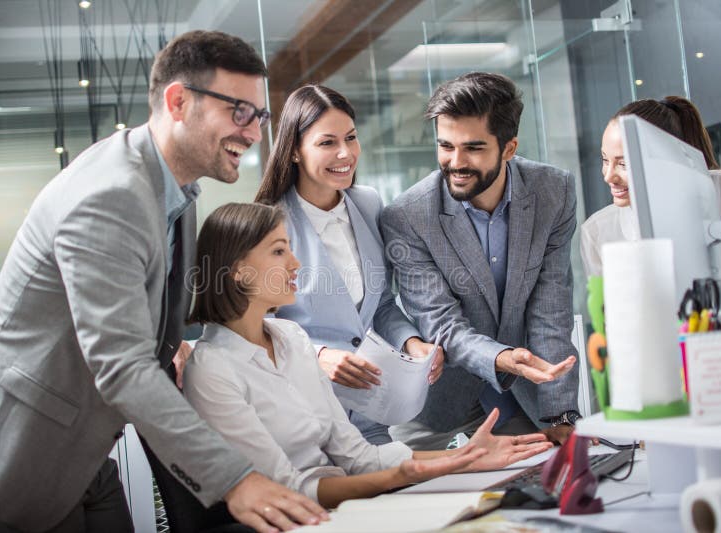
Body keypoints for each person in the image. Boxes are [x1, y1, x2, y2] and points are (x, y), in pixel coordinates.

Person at [0, 31, 326, 533]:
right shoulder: (111, 195)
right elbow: (120, 364)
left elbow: (138, 318)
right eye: (239, 111)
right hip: (16, 448)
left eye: (260, 116)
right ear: (178, 101)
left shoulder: (173, 186)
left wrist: (172, 347)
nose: (253, 133)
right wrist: (237, 480)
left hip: (84, 444)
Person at [182, 202, 553, 508]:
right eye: (279, 251)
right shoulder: (212, 368)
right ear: (238, 272)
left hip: (342, 502)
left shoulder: (291, 337)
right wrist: (404, 476)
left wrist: (464, 459)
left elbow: (360, 458)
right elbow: (289, 489)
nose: (296, 264)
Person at [380, 72, 579, 450]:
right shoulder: (407, 216)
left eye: (473, 148)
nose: (456, 162)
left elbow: (550, 312)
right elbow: (441, 324)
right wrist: (503, 357)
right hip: (435, 400)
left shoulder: (554, 192)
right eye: (445, 146)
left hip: (520, 397)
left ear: (508, 148)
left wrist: (560, 414)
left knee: (542, 488)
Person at [254, 85, 444, 445]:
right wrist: (319, 356)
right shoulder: (267, 223)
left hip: (373, 413)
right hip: (305, 416)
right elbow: (257, 324)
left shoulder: (368, 204)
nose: (345, 153)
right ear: (294, 150)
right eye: (327, 142)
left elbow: (382, 302)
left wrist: (410, 341)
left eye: (351, 138)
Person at [580, 95, 721, 278]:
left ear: (665, 158)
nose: (608, 176)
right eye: (605, 160)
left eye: (623, 164)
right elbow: (603, 305)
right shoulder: (597, 231)